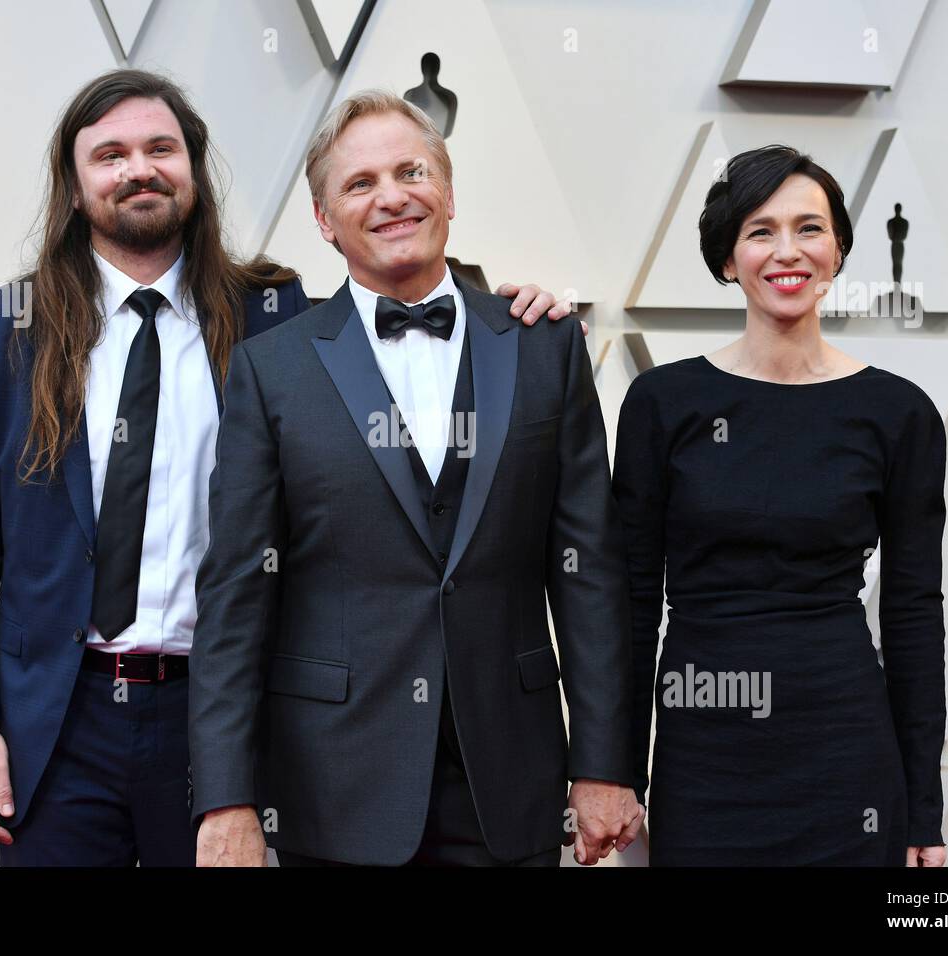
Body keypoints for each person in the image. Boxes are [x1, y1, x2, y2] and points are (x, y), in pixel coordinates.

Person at [0, 69, 565, 866]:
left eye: (162, 148)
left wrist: (508, 310)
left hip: (228, 716)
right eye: (110, 154)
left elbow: (390, 309)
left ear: (193, 168)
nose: (139, 169)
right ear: (75, 180)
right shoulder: (0, 331)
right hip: (54, 721)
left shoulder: (274, 313)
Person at [189, 90, 642, 867]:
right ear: (325, 220)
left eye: (412, 171)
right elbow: (236, 592)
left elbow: (590, 574)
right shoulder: (272, 369)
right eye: (360, 183)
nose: (392, 196)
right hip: (333, 784)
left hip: (511, 781)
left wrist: (604, 765)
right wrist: (225, 798)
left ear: (450, 192)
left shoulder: (544, 347)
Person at [612, 144, 947, 866]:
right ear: (728, 258)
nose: (787, 251)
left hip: (847, 755)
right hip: (706, 754)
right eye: (760, 231)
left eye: (810, 228)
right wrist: (615, 772)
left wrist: (923, 809)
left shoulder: (898, 413)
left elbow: (915, 614)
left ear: (838, 251)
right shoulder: (663, 404)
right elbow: (633, 602)